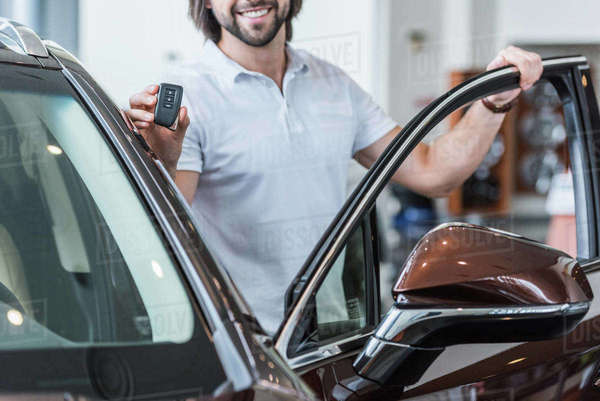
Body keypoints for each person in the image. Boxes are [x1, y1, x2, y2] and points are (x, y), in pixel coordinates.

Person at [126, 0, 543, 334]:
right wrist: (164, 156)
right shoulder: (188, 94)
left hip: (325, 338)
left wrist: (494, 101)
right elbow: (168, 226)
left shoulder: (333, 84)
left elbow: (433, 172)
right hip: (238, 346)